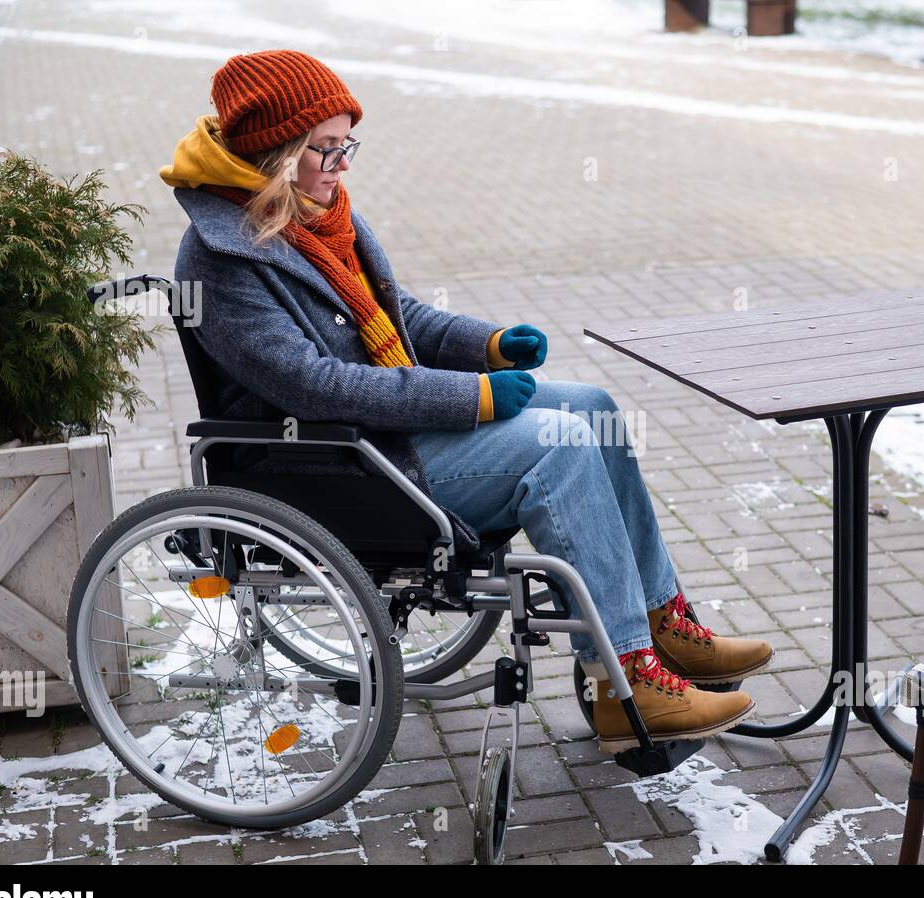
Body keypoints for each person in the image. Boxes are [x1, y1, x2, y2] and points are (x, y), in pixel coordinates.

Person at [160, 50, 772, 752]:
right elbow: (316, 386)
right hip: (331, 466)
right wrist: (473, 398)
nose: (342, 164)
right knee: (558, 447)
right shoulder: (220, 257)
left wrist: (489, 346)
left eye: (345, 144)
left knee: (593, 406)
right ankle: (622, 681)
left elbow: (401, 320)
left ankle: (662, 622)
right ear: (274, 153)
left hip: (378, 439)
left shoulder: (321, 216)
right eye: (324, 149)